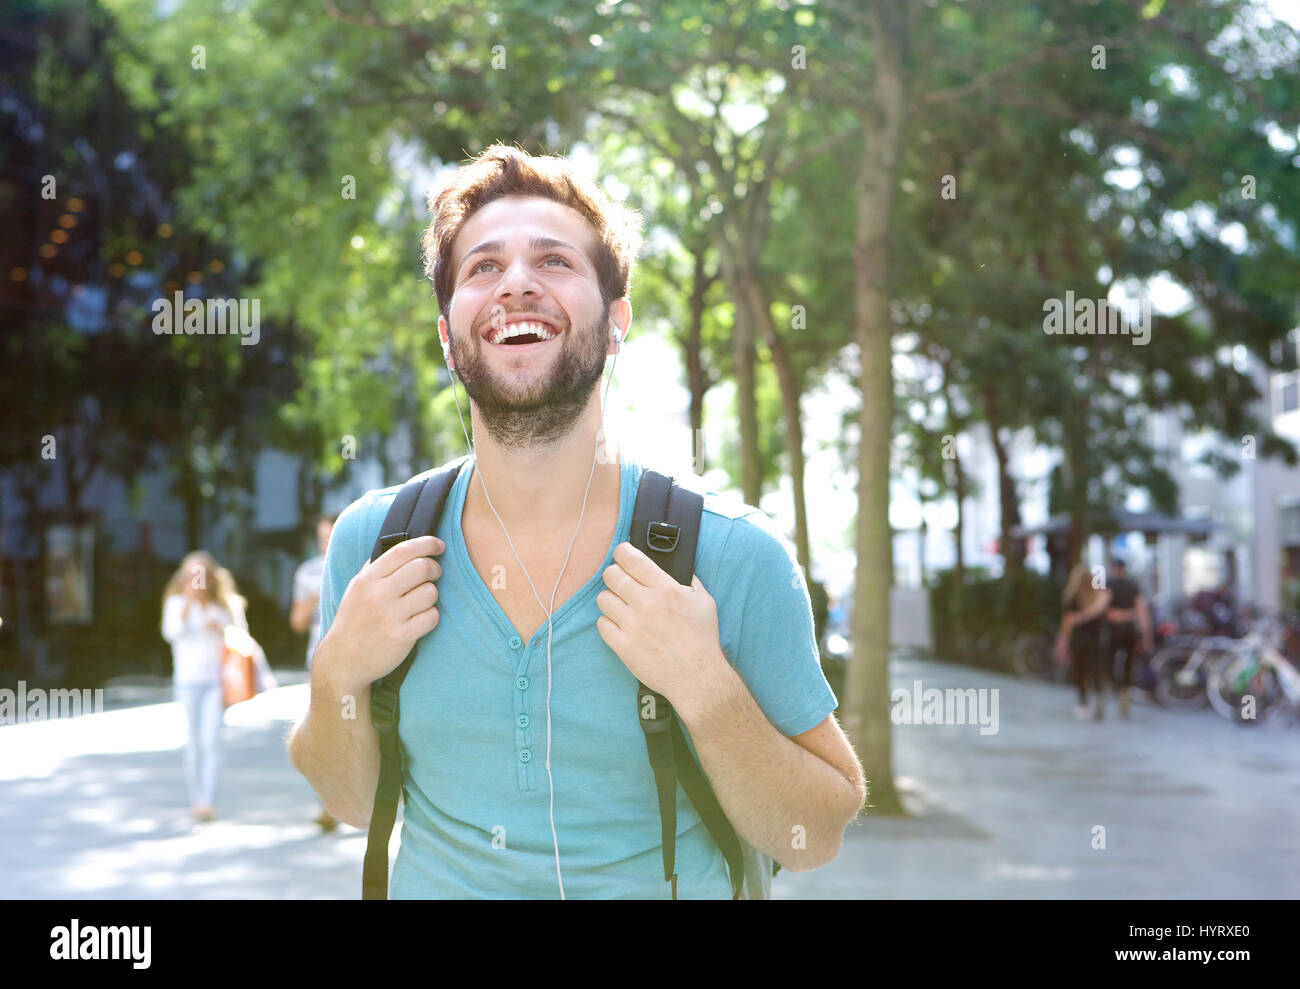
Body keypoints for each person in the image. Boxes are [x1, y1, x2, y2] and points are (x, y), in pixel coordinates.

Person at [288, 145, 866, 899]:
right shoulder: (374, 545)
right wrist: (337, 671)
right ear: (446, 333)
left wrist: (708, 690)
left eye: (554, 261)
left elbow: (815, 835)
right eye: (482, 267)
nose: (516, 283)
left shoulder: (730, 553)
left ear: (617, 322)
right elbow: (349, 799)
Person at [160, 551, 270, 822]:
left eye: (201, 575)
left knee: (211, 740)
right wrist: (188, 604)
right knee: (194, 742)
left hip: (216, 682)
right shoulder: (176, 603)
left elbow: (242, 639)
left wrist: (220, 627)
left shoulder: (224, 606)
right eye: (190, 575)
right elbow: (170, 633)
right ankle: (196, 796)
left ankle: (206, 800)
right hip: (187, 682)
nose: (196, 581)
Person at [291, 512, 339, 832]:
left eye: (332, 536)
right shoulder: (307, 572)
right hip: (318, 661)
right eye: (322, 538)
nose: (326, 544)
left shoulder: (363, 563)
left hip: (358, 658)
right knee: (323, 732)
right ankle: (327, 804)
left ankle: (349, 800)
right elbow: (295, 623)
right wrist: (311, 601)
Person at [1057, 562, 1114, 721]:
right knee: (1095, 670)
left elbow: (1067, 621)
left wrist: (1063, 640)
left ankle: (1083, 704)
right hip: (1096, 640)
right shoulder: (1098, 596)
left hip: (1078, 640)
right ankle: (1098, 698)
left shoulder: (1072, 596)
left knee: (1079, 671)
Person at [1104, 557, 1153, 718]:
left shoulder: (1109, 584)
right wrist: (1146, 635)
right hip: (1130, 630)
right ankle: (1123, 693)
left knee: (1109, 662)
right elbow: (1142, 610)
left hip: (1113, 631)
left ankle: (1111, 692)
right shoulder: (1133, 585)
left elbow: (1106, 611)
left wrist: (1119, 615)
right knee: (1127, 664)